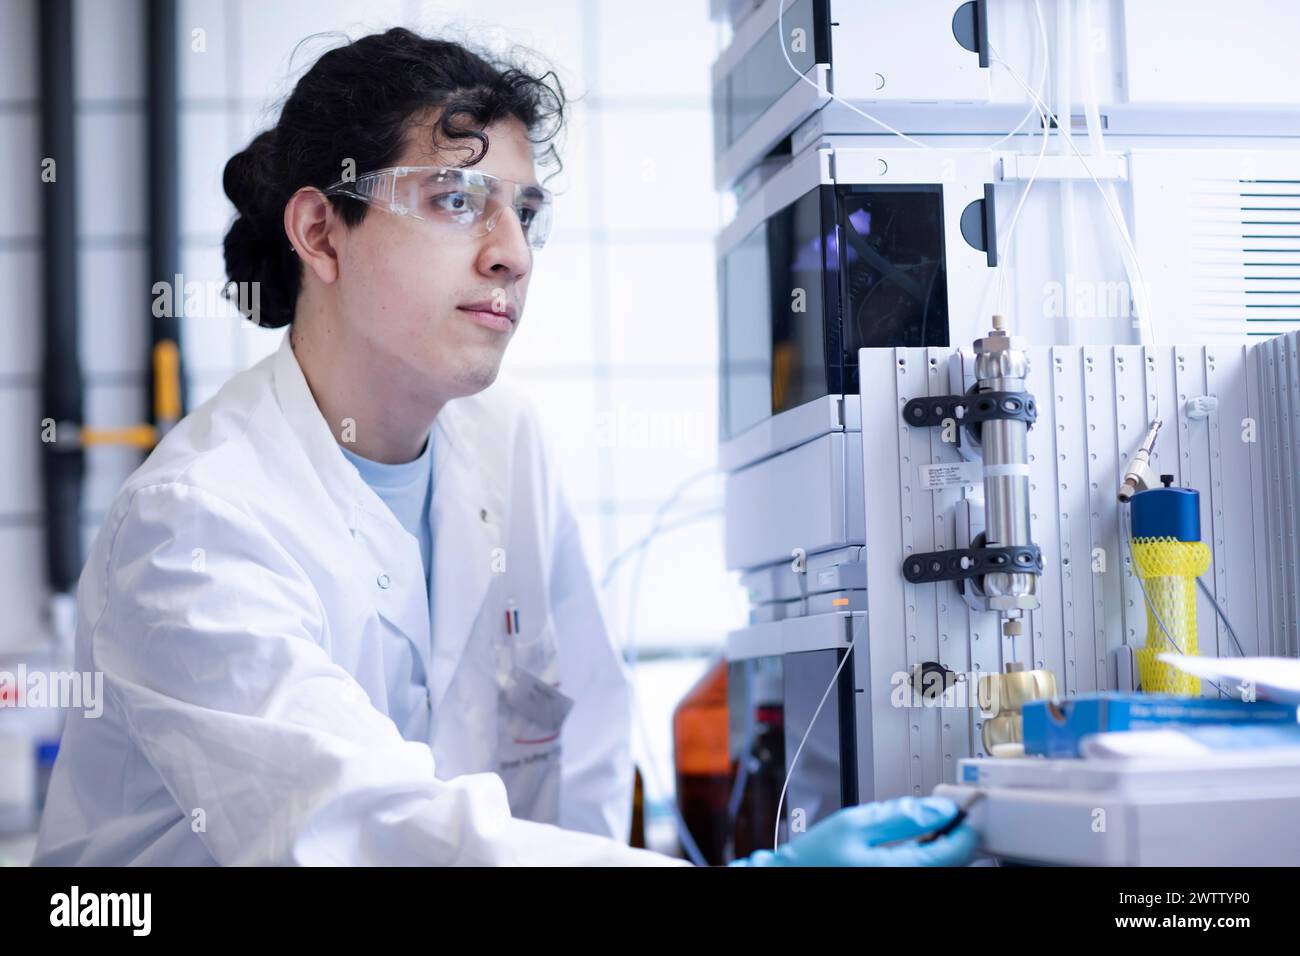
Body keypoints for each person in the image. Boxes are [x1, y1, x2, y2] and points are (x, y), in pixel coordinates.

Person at [33, 27, 976, 867]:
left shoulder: (503, 439)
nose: (512, 254)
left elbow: (592, 756)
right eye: (455, 200)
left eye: (523, 212)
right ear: (322, 231)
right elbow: (363, 833)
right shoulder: (195, 522)